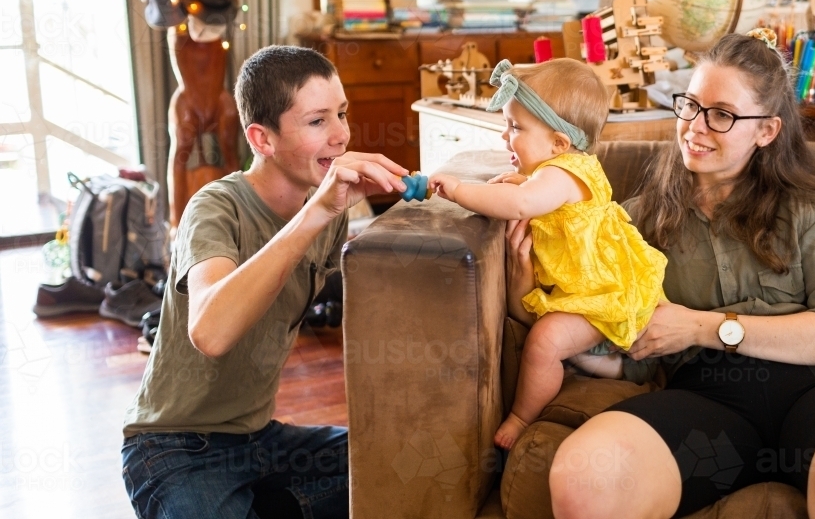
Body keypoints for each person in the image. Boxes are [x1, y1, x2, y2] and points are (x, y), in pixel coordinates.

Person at [500, 31, 815, 518]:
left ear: (766, 131)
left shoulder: (808, 210)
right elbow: (624, 341)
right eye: (689, 105)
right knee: (586, 479)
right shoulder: (630, 220)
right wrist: (526, 291)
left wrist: (702, 326)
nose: (694, 127)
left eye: (722, 115)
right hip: (707, 403)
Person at [121, 45, 409, 519]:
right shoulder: (215, 207)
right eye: (317, 121)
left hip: (261, 439)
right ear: (262, 139)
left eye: (342, 113)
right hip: (175, 447)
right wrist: (317, 213)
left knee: (408, 461)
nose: (342, 135)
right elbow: (211, 331)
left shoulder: (325, 213)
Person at [428, 58, 667, 450]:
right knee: (567, 337)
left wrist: (457, 190)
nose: (505, 136)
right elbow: (539, 195)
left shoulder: (561, 173)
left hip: (600, 296)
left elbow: (521, 205)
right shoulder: (562, 168)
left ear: (559, 143)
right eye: (507, 123)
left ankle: (524, 415)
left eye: (517, 127)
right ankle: (612, 364)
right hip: (592, 293)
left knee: (544, 341)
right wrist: (525, 179)